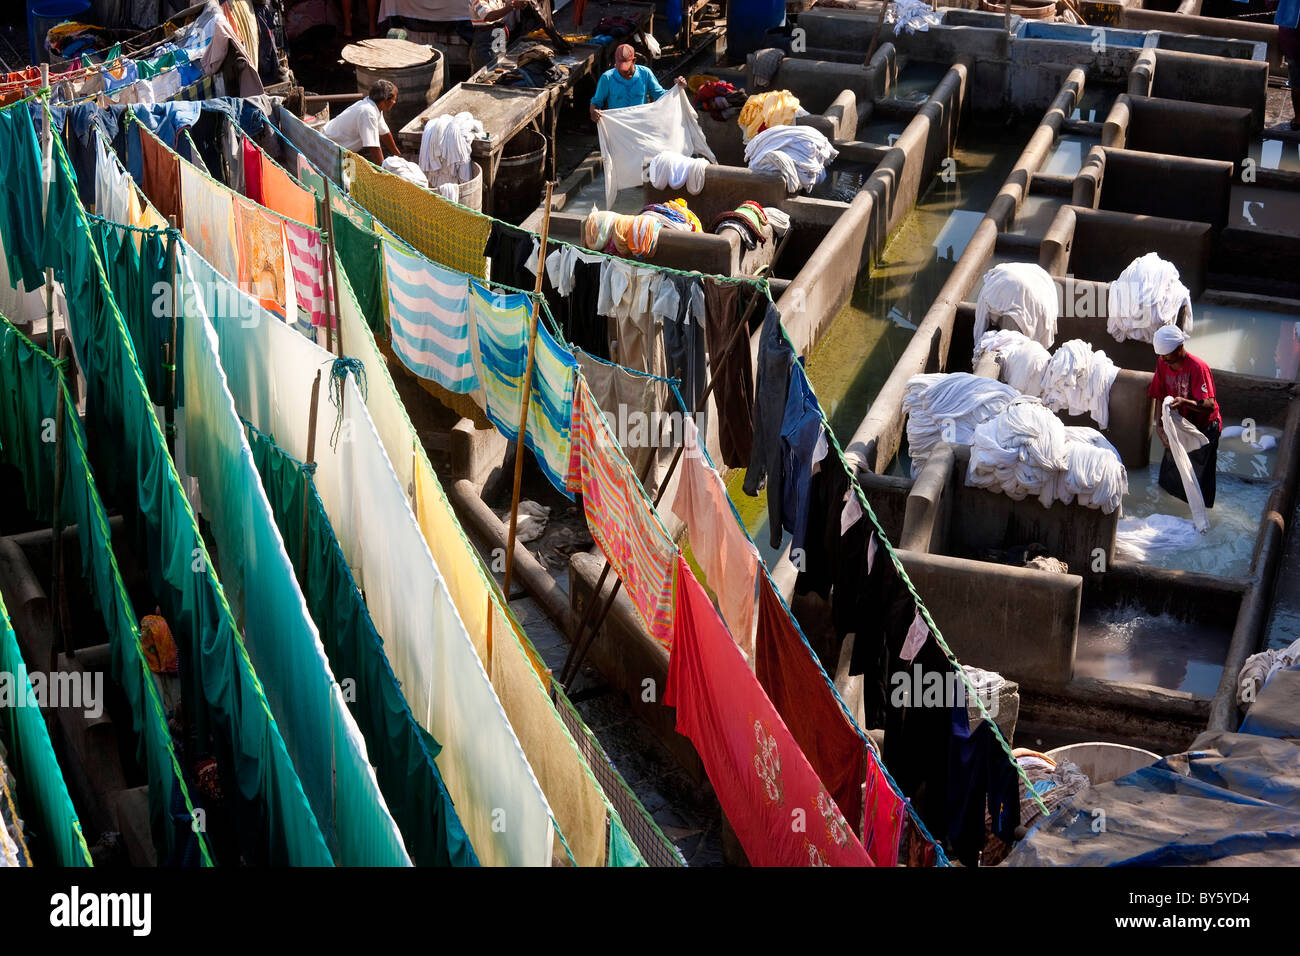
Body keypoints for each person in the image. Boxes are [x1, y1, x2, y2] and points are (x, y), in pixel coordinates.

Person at [1149, 324, 1222, 508]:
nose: (1166, 362)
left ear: (1180, 347)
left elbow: (1209, 405)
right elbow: (1159, 393)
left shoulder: (1198, 368)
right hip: (1178, 426)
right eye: (1163, 358)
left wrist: (1184, 402)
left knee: (1199, 481)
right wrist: (1159, 425)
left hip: (1202, 430)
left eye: (1169, 358)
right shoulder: (1162, 362)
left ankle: (1198, 518)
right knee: (1170, 477)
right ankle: (1168, 510)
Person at [589, 44, 687, 123]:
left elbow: (660, 95)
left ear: (634, 61)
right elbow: (596, 102)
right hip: (618, 125)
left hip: (641, 123)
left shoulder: (645, 73)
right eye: (620, 66)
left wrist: (678, 88)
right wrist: (594, 111)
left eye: (625, 67)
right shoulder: (607, 78)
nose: (622, 71)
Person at [322, 80, 400, 165]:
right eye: (394, 99)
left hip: (337, 147)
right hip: (328, 149)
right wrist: (383, 173)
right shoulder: (368, 113)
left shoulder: (374, 106)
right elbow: (374, 147)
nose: (394, 102)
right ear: (384, 101)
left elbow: (384, 133)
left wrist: (399, 157)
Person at [470, 0, 540, 73]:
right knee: (486, 70)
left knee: (498, 66)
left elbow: (507, 4)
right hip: (486, 36)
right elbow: (488, 16)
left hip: (500, 33)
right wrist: (512, 6)